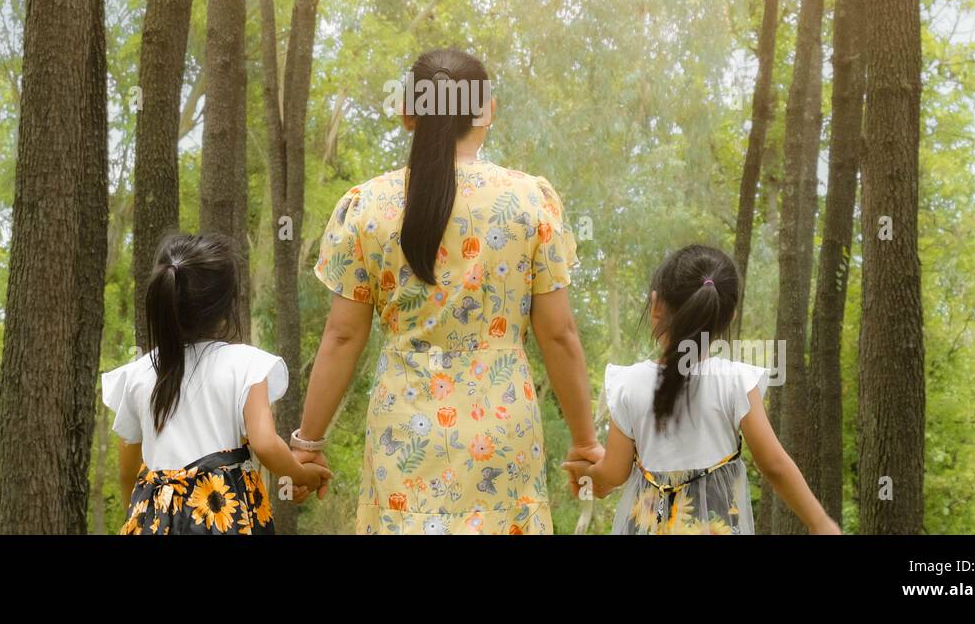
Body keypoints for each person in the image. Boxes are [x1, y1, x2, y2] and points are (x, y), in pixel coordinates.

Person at [293, 48, 601, 534]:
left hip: (404, 437)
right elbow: (558, 334)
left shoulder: (366, 206)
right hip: (502, 435)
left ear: (407, 113)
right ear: (487, 111)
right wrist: (585, 443)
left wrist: (307, 445)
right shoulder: (529, 201)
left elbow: (341, 338)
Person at [563, 244, 840, 535]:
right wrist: (820, 524)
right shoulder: (735, 381)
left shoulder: (629, 383)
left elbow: (613, 474)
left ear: (656, 307)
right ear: (729, 316)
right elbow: (774, 464)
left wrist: (585, 472)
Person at [101, 232, 330, 534]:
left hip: (155, 515)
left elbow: (127, 470)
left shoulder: (137, 374)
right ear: (227, 306)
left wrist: (140, 514)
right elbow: (264, 443)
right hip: (223, 515)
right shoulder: (246, 365)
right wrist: (301, 474)